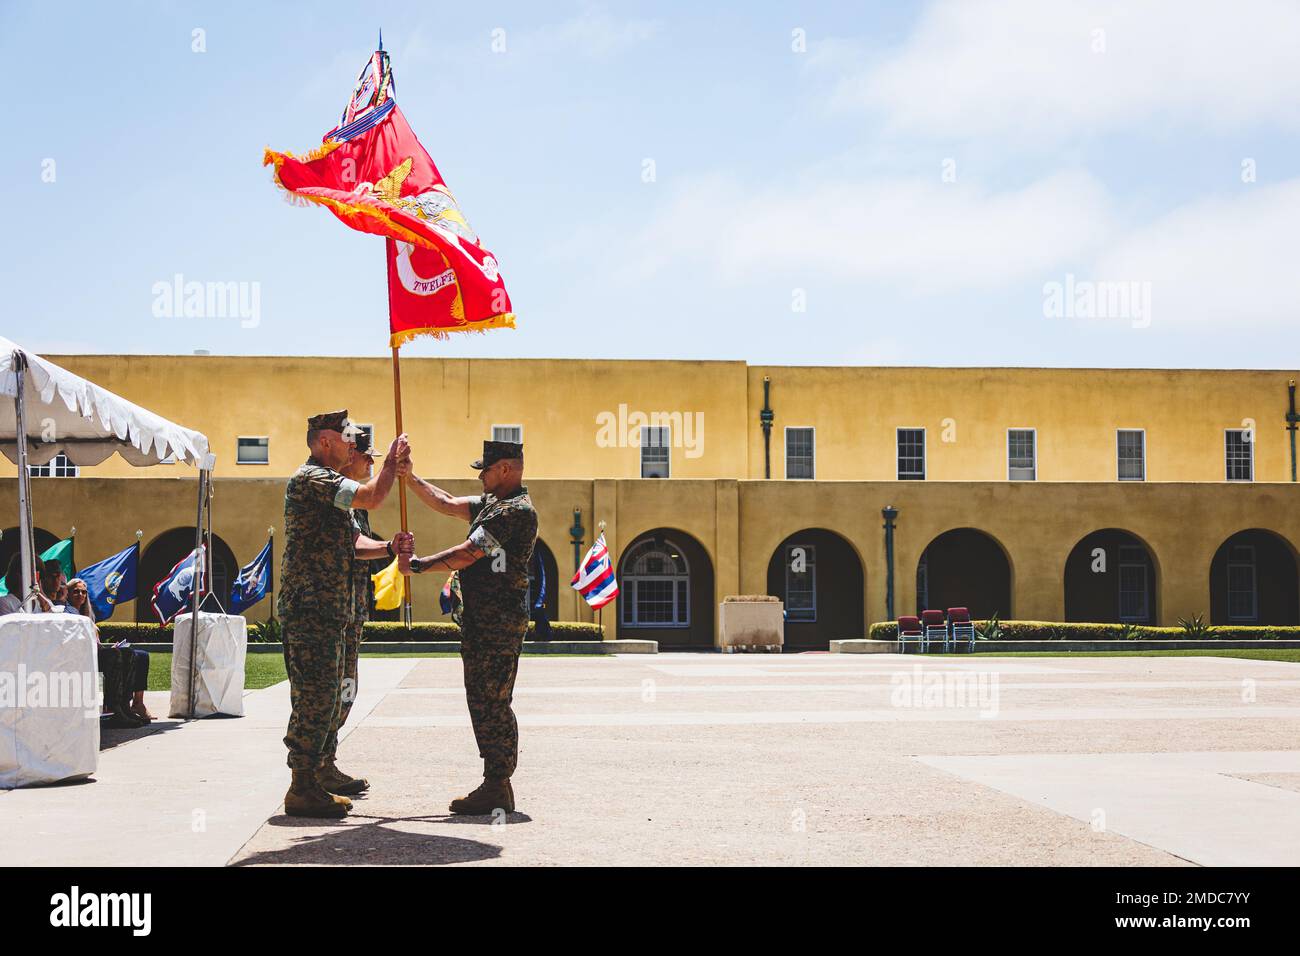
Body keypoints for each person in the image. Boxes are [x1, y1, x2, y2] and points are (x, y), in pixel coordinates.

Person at [278, 409, 412, 819]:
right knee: (316, 696)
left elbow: (354, 542)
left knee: (335, 694)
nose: (354, 447)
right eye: (346, 439)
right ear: (325, 442)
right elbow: (371, 496)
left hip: (333, 610)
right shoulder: (312, 479)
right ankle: (302, 785)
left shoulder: (332, 487)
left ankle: (320, 770)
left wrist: (388, 548)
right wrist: (391, 463)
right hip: (312, 609)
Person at [406, 439, 537, 815]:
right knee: (482, 699)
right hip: (483, 622)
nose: (481, 476)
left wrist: (418, 565)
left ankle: (497, 784)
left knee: (492, 701)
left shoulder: (514, 511)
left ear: (506, 469)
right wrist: (410, 478)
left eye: (486, 470)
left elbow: (469, 553)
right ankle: (495, 783)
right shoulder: (493, 504)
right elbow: (447, 502)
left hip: (498, 623)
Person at [319, 424, 389, 795]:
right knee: (325, 695)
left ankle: (327, 763)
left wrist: (389, 548)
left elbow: (360, 543)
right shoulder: (333, 492)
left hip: (351, 612)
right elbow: (354, 545)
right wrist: (389, 548)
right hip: (327, 612)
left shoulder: (355, 503)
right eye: (366, 457)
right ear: (349, 456)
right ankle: (313, 772)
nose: (370, 463)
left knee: (346, 691)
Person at [66, 577, 153, 722]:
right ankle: (115, 708)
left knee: (140, 655)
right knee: (118, 655)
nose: (80, 595)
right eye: (76, 591)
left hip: (95, 652)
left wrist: (109, 648)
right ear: (68, 593)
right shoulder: (68, 613)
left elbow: (96, 643)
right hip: (83, 656)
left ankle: (131, 705)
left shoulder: (88, 614)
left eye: (83, 592)